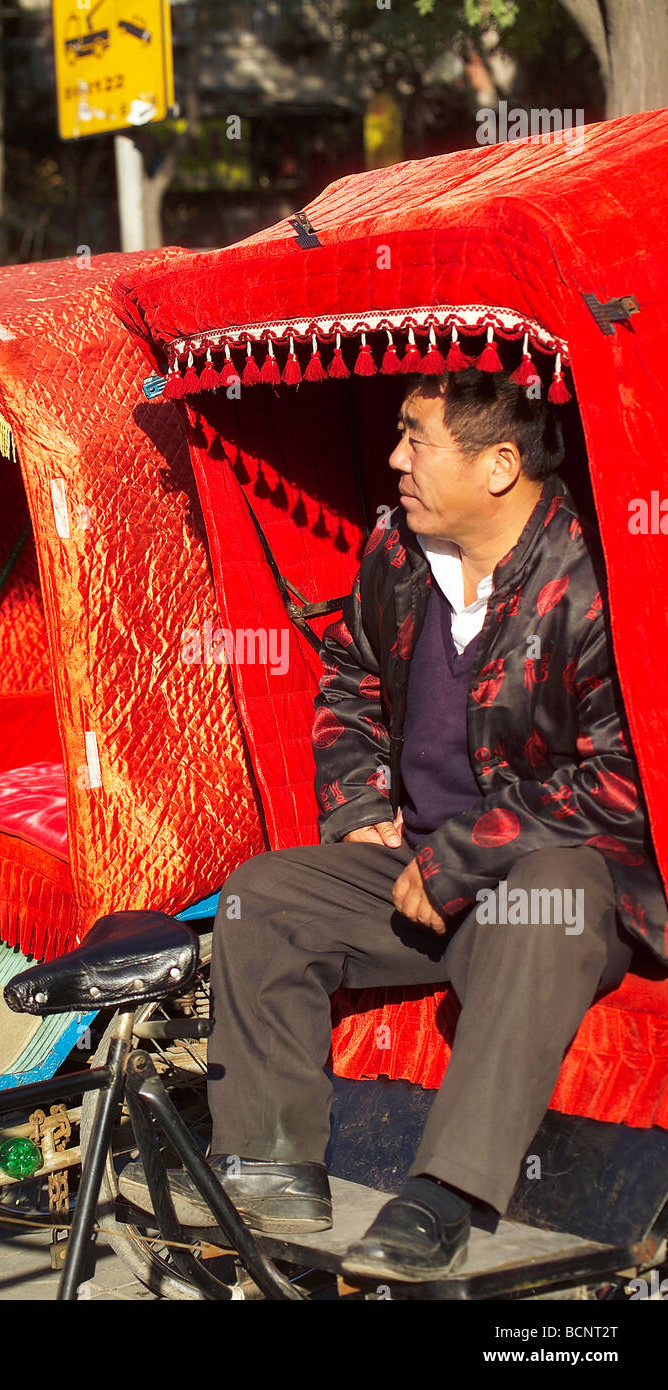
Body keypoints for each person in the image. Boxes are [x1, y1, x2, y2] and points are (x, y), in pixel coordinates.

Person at [121, 367, 668, 1279]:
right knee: (264, 895)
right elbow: (350, 679)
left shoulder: (597, 580)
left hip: (556, 885)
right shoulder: (398, 553)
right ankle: (269, 1159)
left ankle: (444, 1195)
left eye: (416, 439)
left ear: (499, 465)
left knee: (557, 888)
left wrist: (460, 856)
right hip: (420, 868)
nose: (394, 459)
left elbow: (627, 778)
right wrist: (361, 802)